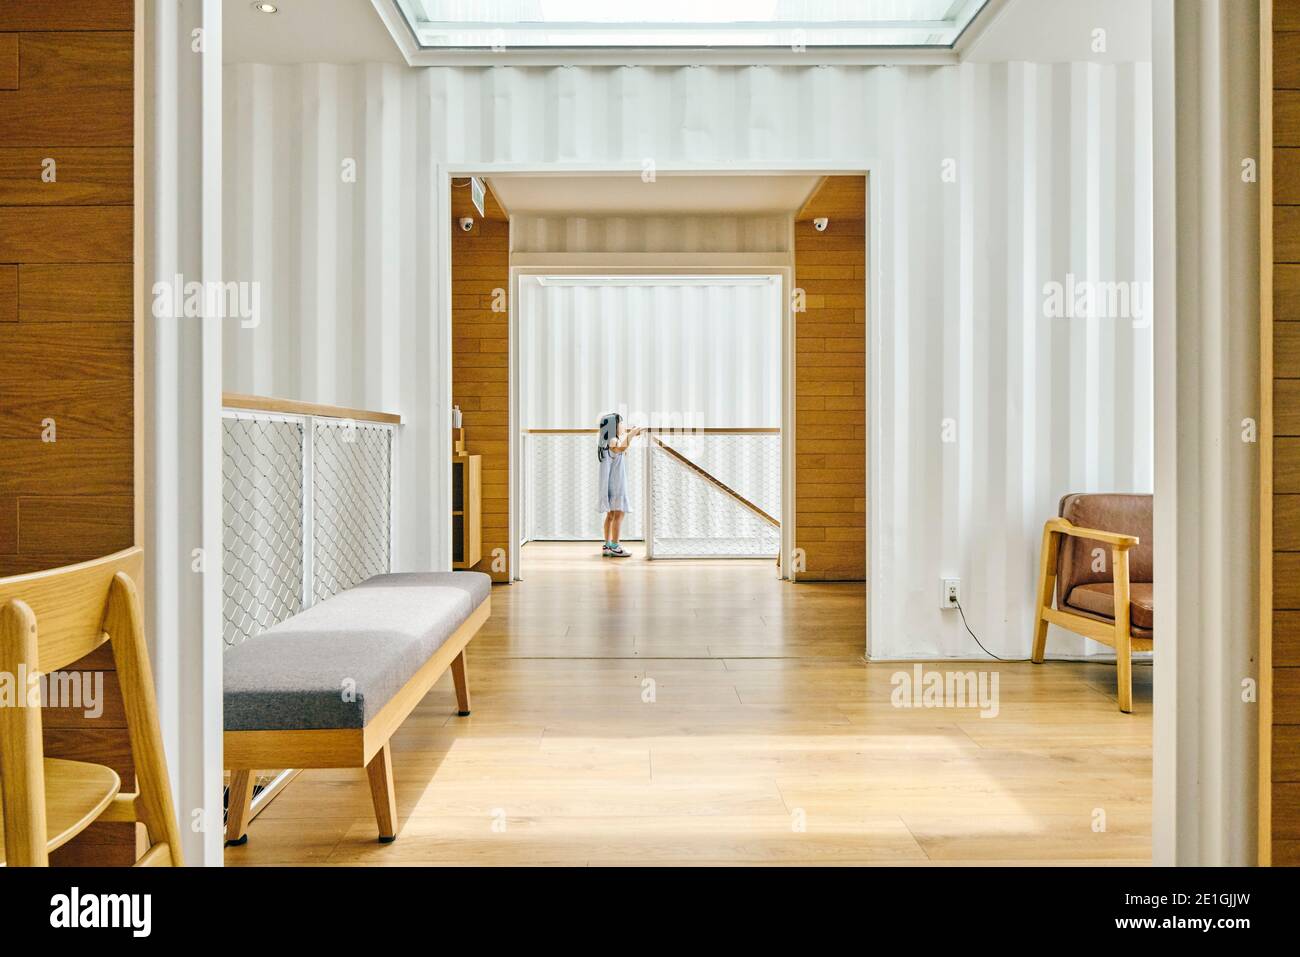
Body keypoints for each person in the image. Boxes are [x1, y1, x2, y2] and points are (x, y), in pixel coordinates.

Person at [597, 412, 644, 558]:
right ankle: (616, 546)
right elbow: (620, 448)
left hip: (609, 484)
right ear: (613, 426)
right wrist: (633, 432)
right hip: (616, 484)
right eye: (621, 423)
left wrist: (629, 435)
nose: (623, 425)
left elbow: (621, 445)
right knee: (619, 513)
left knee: (610, 515)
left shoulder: (606, 441)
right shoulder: (612, 440)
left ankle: (607, 545)